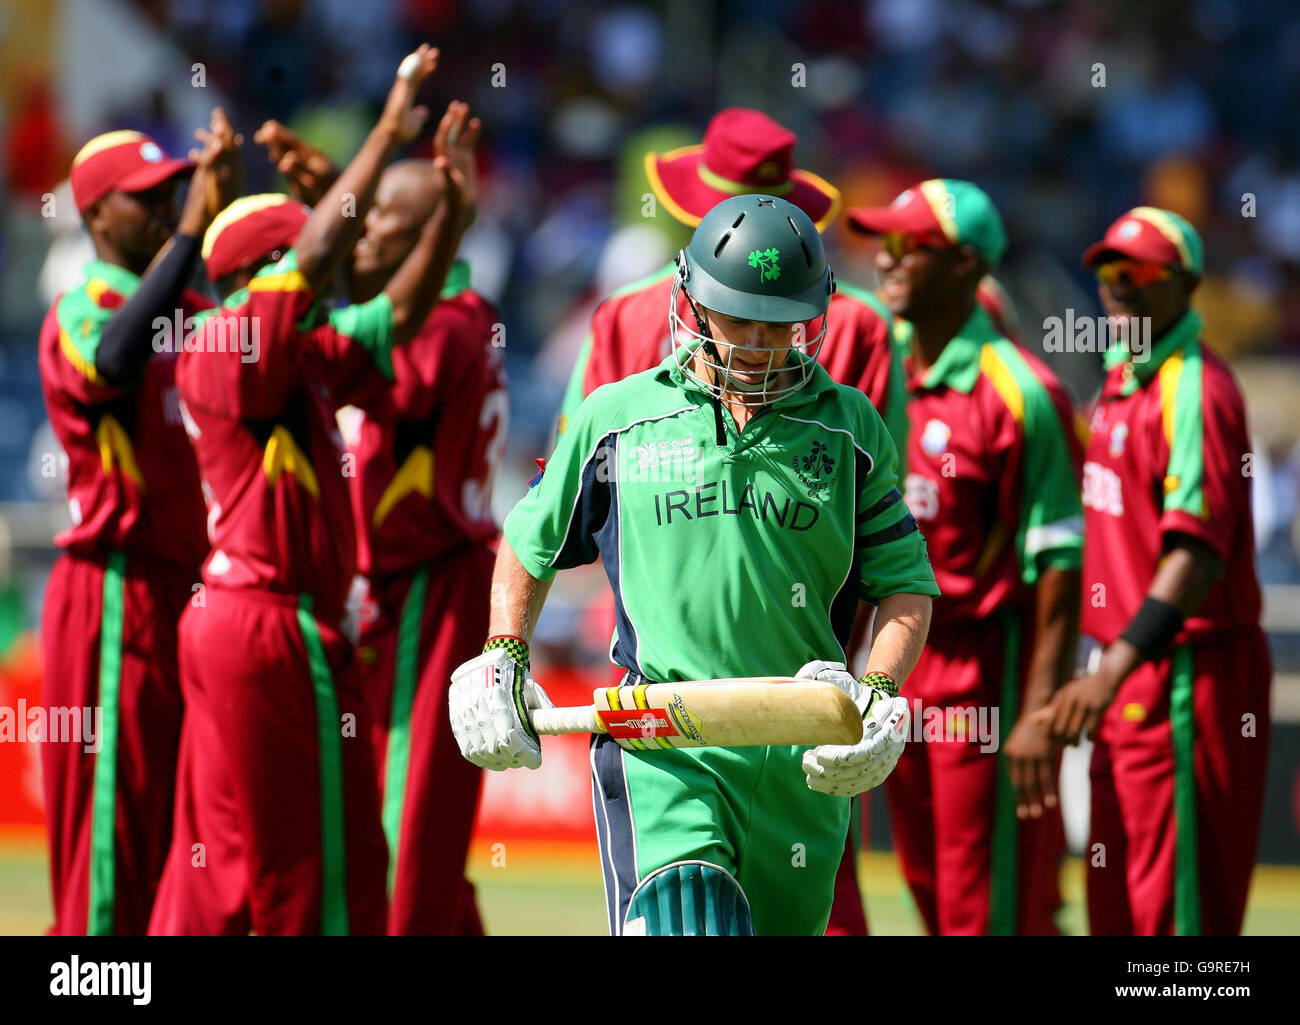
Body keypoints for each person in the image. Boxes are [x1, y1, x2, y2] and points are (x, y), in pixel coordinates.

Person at [450, 193, 938, 936]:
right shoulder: (616, 417)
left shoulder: (849, 427)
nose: (761, 342)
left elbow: (904, 582)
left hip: (801, 759)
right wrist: (504, 651)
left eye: (781, 322)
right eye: (740, 318)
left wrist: (878, 690)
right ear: (693, 302)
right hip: (662, 748)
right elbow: (530, 538)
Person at [557, 106, 903, 935]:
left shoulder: (621, 315)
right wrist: (871, 685)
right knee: (807, 887)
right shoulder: (857, 321)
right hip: (815, 667)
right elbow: (870, 528)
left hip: (664, 655)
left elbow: (569, 495)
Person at [148, 46, 468, 935]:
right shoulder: (229, 341)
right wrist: (387, 131)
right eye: (308, 261)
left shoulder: (301, 358)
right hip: (270, 623)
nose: (334, 267)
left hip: (241, 622)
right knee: (328, 863)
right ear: (271, 270)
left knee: (223, 866)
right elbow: (331, 244)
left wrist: (453, 215)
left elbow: (399, 314)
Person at [256, 102, 501, 934]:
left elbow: (382, 332)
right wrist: (339, 195)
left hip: (433, 583)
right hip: (390, 590)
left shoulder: (451, 323)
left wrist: (332, 206)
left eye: (381, 223)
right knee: (389, 825)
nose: (359, 241)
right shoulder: (456, 312)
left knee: (405, 822)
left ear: (436, 230)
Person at [847, 179, 1084, 935]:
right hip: (899, 670)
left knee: (984, 906)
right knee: (925, 889)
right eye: (883, 243)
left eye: (906, 246)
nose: (884, 260)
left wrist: (1039, 711)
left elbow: (1059, 562)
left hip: (987, 676)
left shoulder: (1026, 393)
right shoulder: (878, 380)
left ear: (963, 265)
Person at [1035, 207, 1271, 935]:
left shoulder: (1194, 387)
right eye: (1109, 272)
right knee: (1120, 903)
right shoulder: (1120, 378)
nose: (1120, 288)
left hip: (1185, 676)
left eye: (1140, 272)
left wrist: (1110, 670)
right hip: (1126, 672)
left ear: (1187, 284)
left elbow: (1198, 553)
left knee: (1176, 915)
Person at [37, 112, 240, 935]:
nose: (166, 207)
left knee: (181, 835)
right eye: (145, 196)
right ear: (94, 216)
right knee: (111, 842)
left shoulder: (194, 304)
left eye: (174, 191)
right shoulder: (81, 308)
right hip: (117, 592)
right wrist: (192, 232)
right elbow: (114, 362)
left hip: (193, 598)